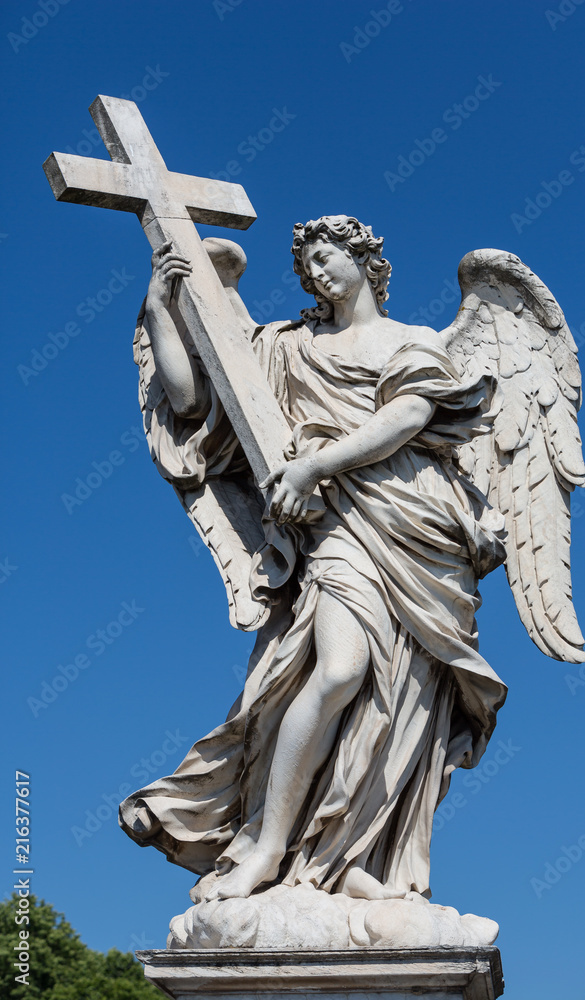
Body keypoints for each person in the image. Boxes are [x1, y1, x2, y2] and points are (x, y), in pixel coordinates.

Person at [119, 215, 507, 902]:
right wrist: (159, 305)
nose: (317, 275)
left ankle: (351, 854)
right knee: (340, 669)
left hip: (419, 524)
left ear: (365, 259)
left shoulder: (413, 340)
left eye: (328, 259)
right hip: (337, 525)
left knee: (401, 699)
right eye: (307, 269)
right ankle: (268, 846)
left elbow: (408, 417)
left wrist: (312, 464)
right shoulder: (286, 347)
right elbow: (191, 399)